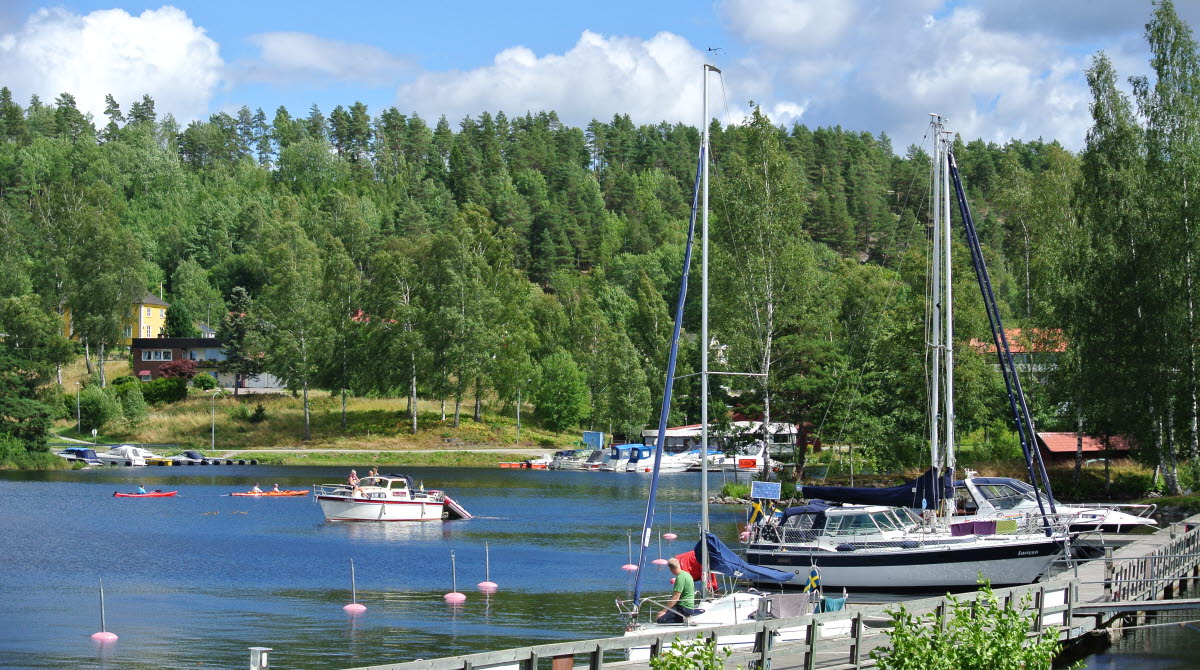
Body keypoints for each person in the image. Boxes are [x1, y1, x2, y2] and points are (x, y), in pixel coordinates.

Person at [656, 557, 697, 624]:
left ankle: (682, 620)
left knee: (660, 619)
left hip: (683, 607)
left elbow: (675, 598)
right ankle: (682, 619)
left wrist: (664, 611)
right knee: (668, 613)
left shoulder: (680, 578)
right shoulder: (687, 574)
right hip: (689, 607)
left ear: (671, 569)